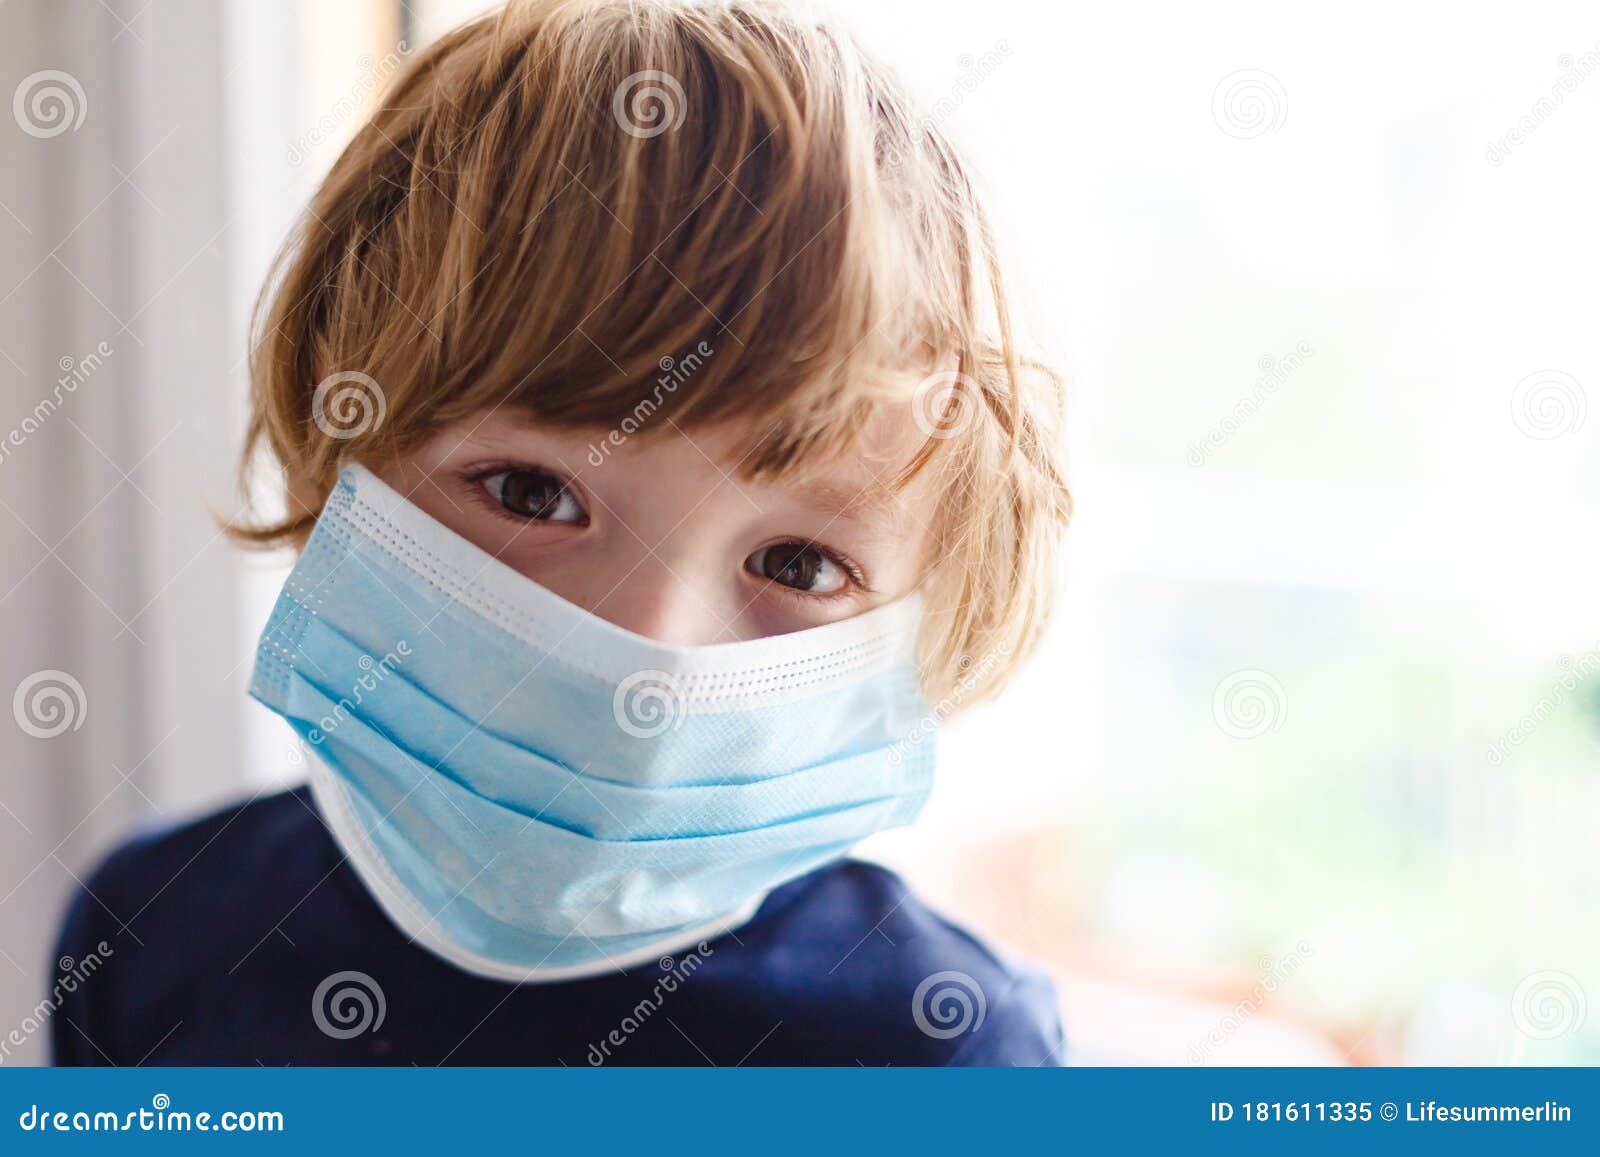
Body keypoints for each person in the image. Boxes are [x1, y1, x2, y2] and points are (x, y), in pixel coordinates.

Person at [52, 0, 1071, 1066]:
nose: (646, 649)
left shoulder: (939, 1051)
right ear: (338, 441)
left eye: (796, 563)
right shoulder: (150, 935)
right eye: (533, 494)